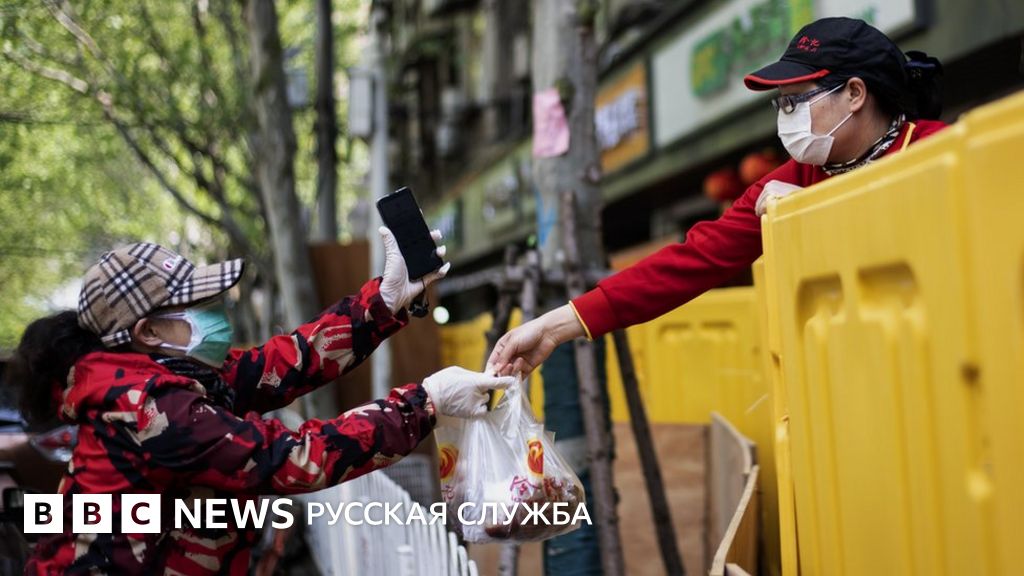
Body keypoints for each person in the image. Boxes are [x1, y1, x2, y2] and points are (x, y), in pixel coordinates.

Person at [11, 228, 514, 575]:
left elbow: (280, 364)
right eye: (184, 309)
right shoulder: (148, 404)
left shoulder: (165, 375)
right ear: (146, 332)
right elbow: (292, 459)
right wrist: (425, 403)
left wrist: (381, 303)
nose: (201, 316)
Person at [488, 17, 946, 375]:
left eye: (795, 100)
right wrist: (555, 325)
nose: (785, 116)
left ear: (854, 93)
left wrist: (810, 214)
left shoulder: (937, 149)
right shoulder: (797, 175)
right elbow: (692, 261)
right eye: (779, 103)